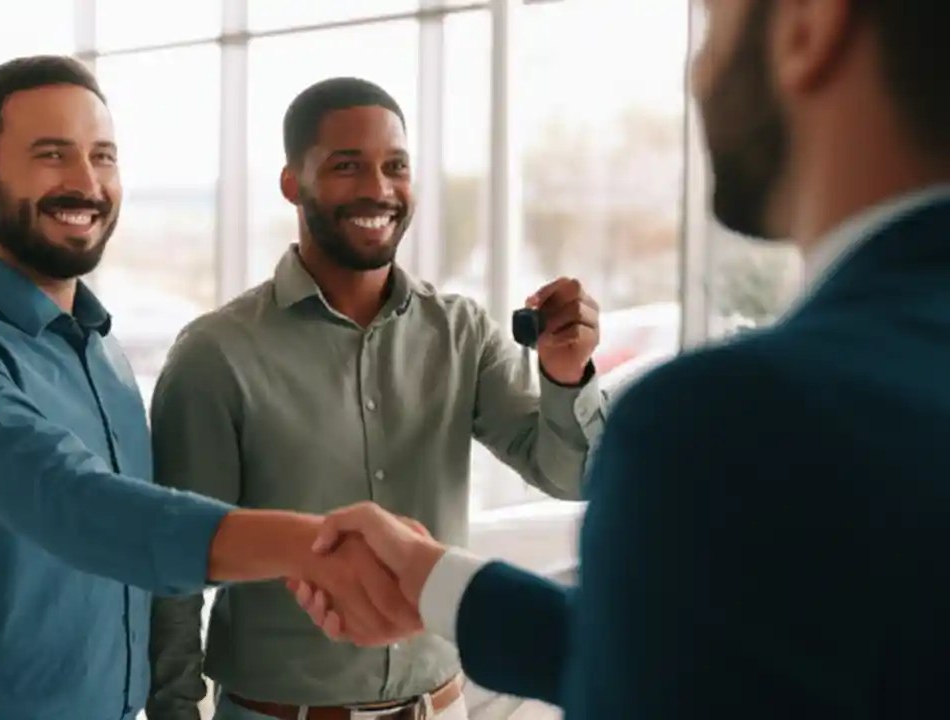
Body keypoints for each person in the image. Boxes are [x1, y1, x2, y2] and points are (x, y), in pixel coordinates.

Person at [291, 0, 950, 717]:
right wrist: (440, 586)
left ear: (808, 26)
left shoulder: (724, 423)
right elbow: (723, 653)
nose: (698, 70)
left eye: (712, 26)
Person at [0, 56, 421, 720]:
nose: (86, 183)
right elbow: (81, 508)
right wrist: (313, 546)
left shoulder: (100, 350)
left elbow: (142, 582)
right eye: (51, 155)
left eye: (103, 156)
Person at [146, 77, 606, 720]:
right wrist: (173, 711)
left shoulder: (461, 333)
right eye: (346, 166)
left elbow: (570, 474)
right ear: (291, 184)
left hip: (440, 706)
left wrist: (565, 377)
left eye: (395, 166)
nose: (378, 188)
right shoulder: (215, 356)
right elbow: (176, 566)